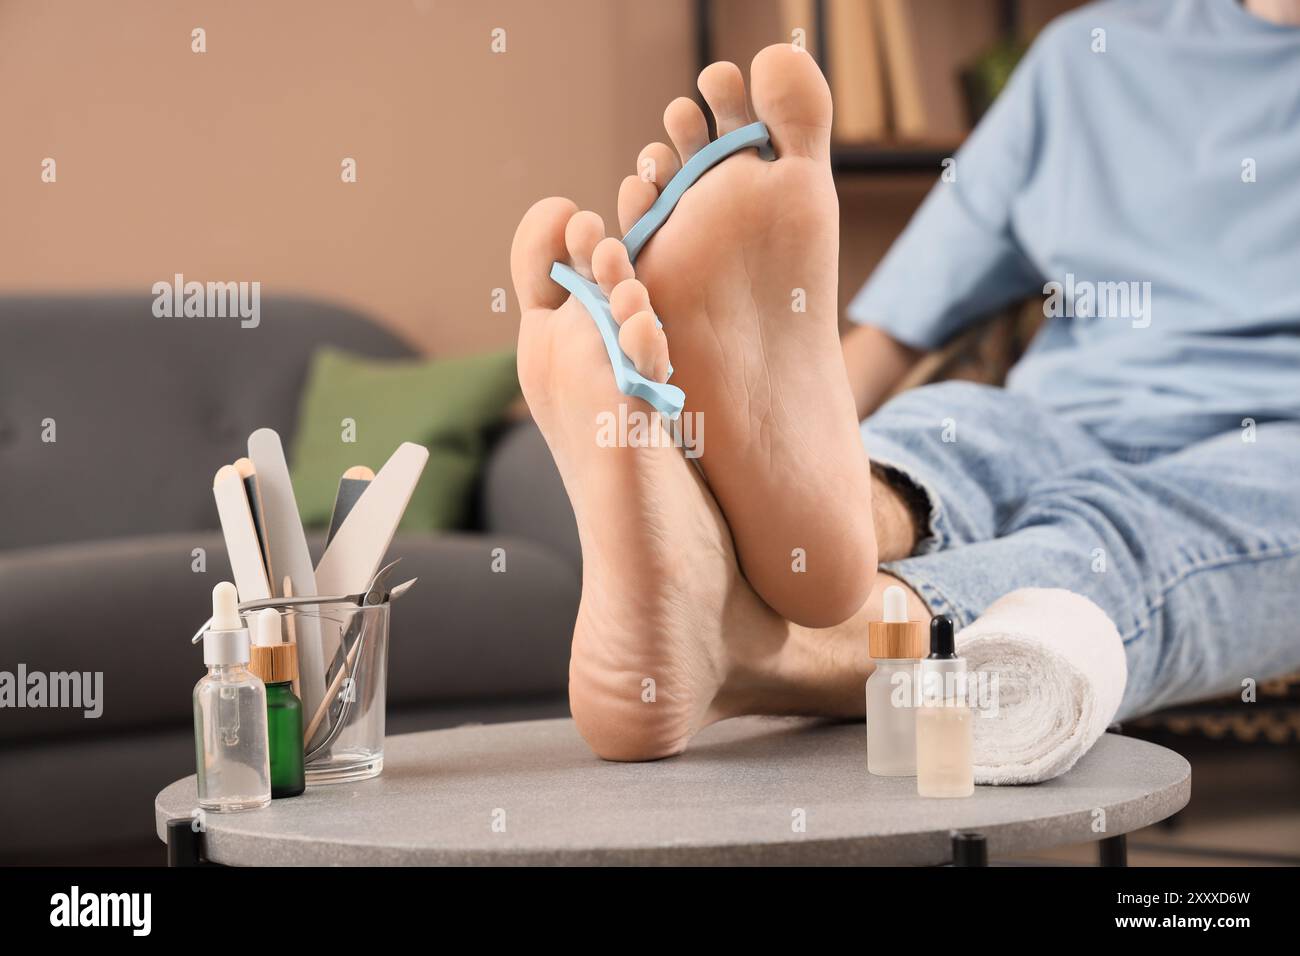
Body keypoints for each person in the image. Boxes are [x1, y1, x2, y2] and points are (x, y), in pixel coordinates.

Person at [508, 0, 1300, 761]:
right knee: (951, 430)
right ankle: (762, 539)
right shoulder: (1087, 60)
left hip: (1277, 449)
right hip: (1061, 414)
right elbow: (895, 332)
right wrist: (746, 451)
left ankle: (752, 636)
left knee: (1123, 538)